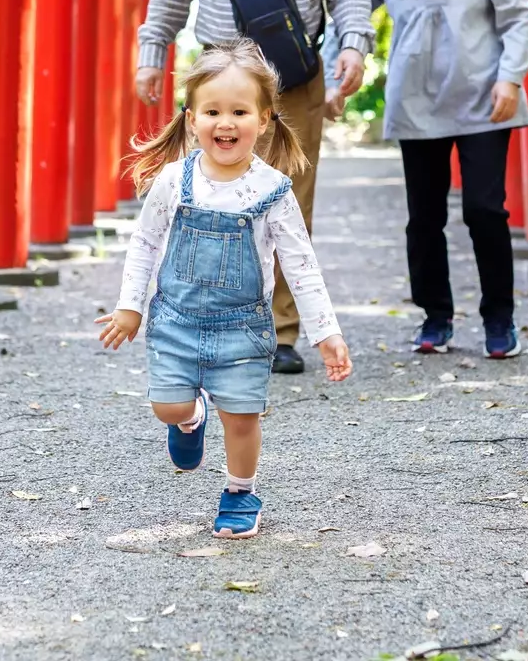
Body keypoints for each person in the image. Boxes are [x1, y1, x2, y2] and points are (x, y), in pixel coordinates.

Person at [133, 0, 376, 376]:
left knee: (290, 203)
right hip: (219, 84)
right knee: (206, 203)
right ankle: (206, 323)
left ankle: (283, 331)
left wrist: (354, 45)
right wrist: (151, 49)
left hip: (294, 80)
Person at [98, 41, 354, 539]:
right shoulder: (175, 180)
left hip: (243, 330)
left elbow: (301, 267)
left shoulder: (273, 190)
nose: (225, 123)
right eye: (213, 111)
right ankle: (191, 418)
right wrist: (130, 307)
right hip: (176, 320)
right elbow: (145, 243)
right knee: (166, 407)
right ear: (192, 118)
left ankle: (240, 491)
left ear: (264, 119)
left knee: (241, 418)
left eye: (239, 111)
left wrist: (326, 332)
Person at [362, 0, 528, 360]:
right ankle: (435, 316)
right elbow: (356, 18)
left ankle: (499, 318)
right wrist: (345, 63)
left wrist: (511, 76)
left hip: (485, 96)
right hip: (415, 101)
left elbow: (517, 14)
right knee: (424, 217)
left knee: (485, 210)